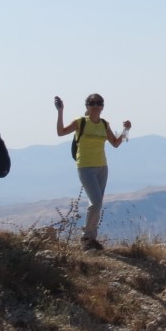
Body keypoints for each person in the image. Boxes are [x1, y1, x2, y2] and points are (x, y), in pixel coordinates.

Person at [55, 93, 131, 251]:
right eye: (92, 103)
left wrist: (126, 129)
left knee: (97, 203)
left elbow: (115, 143)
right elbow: (61, 132)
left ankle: (92, 238)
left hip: (102, 167)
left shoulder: (104, 124)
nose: (96, 106)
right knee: (96, 202)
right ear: (87, 106)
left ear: (102, 106)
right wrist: (60, 111)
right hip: (85, 166)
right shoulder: (80, 122)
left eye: (99, 103)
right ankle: (86, 238)